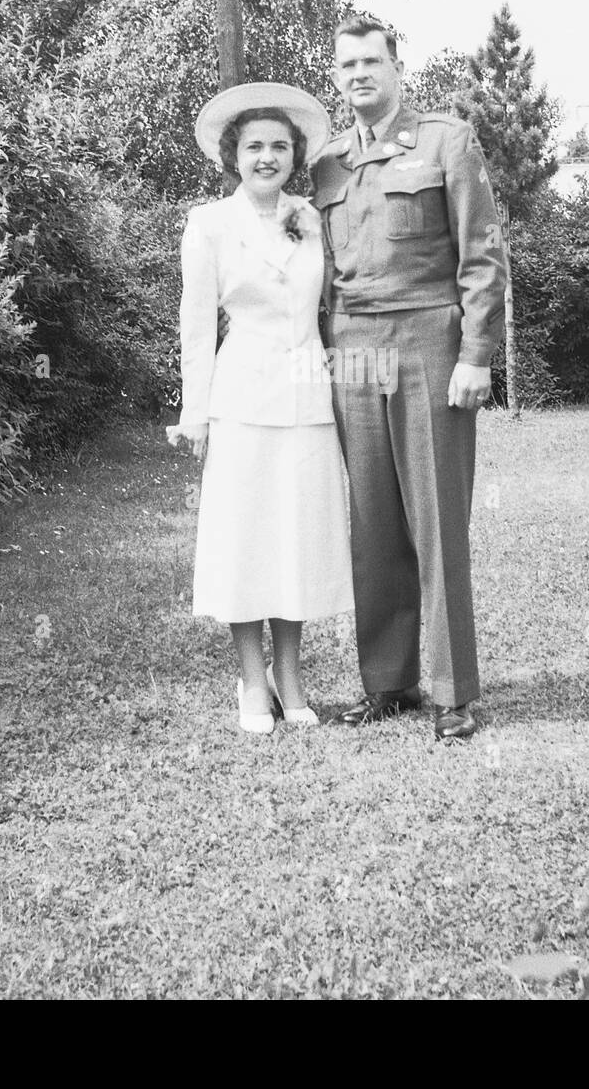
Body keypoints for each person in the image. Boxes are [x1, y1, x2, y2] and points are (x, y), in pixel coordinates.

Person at [310, 16, 508, 740]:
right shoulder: (327, 162)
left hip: (429, 339)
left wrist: (476, 355)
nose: (359, 74)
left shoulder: (447, 141)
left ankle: (455, 692)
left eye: (371, 61)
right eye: (346, 65)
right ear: (336, 77)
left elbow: (482, 254)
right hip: (352, 348)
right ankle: (386, 682)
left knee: (436, 521)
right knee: (373, 521)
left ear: (397, 67)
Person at [168, 83, 354, 735]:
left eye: (280, 146)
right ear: (233, 155)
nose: (267, 157)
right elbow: (196, 326)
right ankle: (252, 681)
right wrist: (196, 412)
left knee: (296, 538)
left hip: (306, 398)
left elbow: (334, 308)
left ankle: (291, 678)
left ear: (295, 154)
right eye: (255, 147)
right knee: (247, 541)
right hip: (241, 398)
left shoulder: (313, 216)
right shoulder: (208, 224)